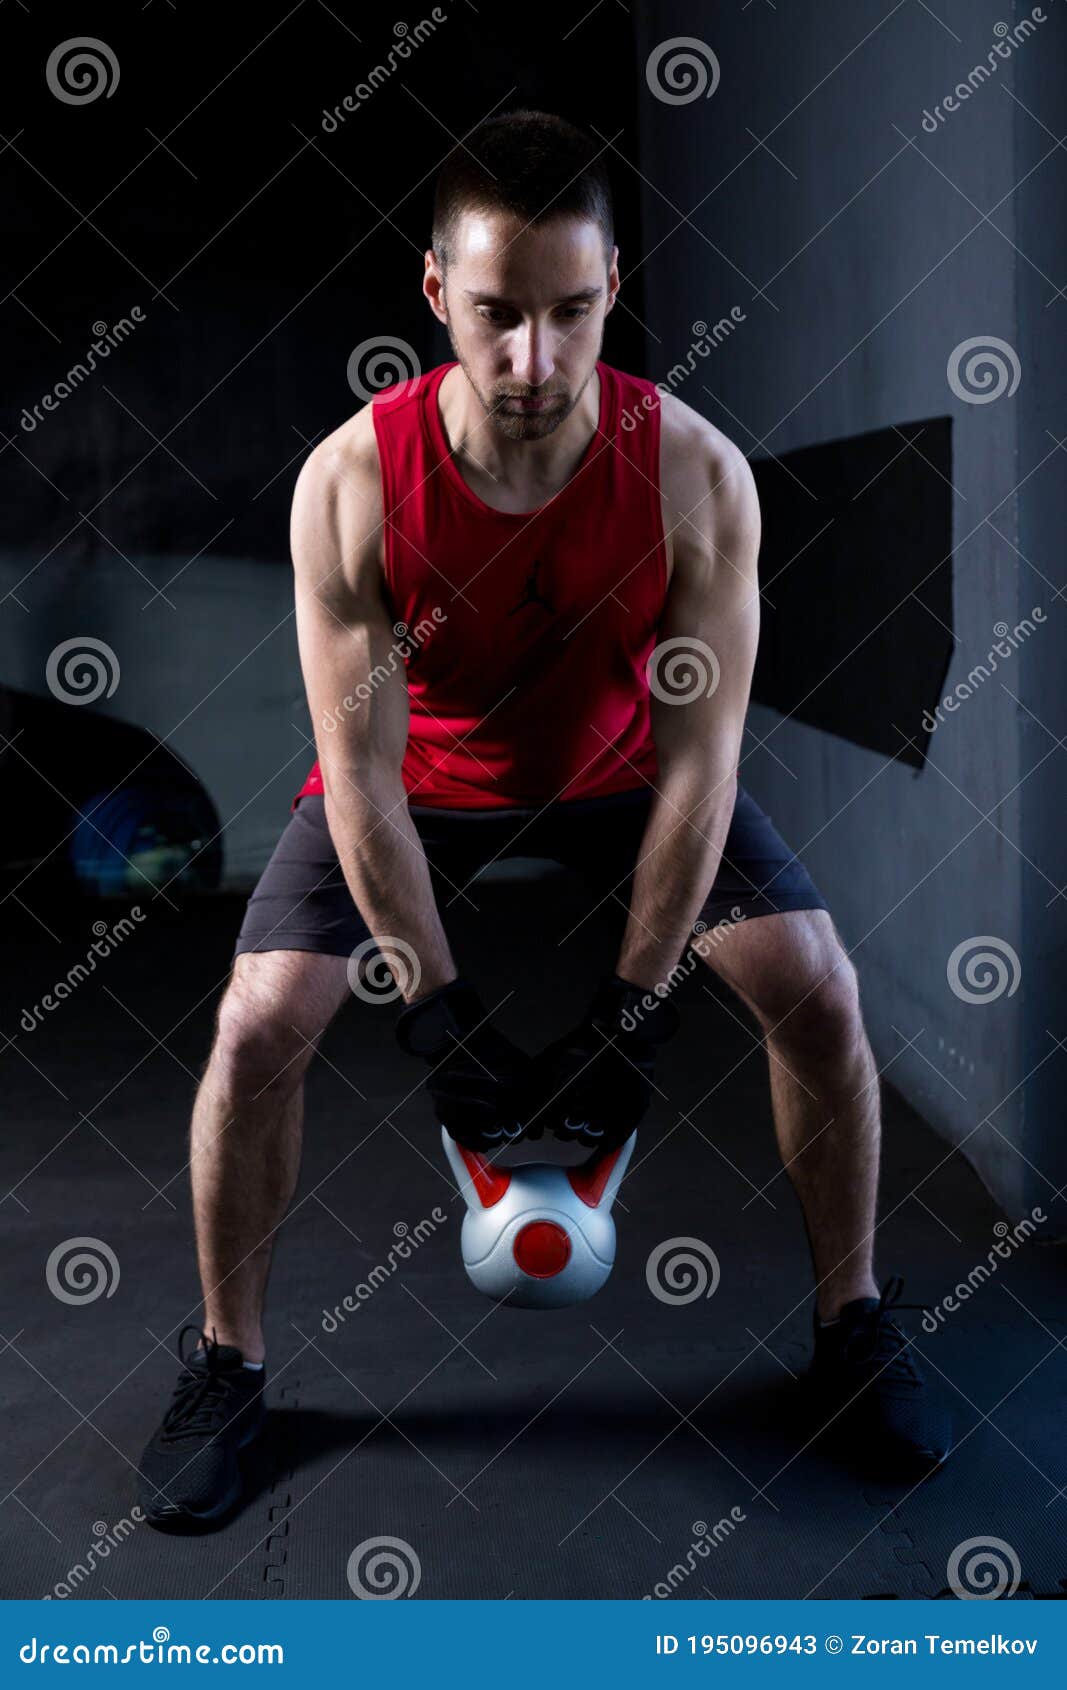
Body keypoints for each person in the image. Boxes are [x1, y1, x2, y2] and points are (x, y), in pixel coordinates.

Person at [136, 108, 951, 1531]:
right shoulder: (353, 484)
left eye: (571, 314)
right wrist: (442, 1022)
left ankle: (852, 1331)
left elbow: (701, 773)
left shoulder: (695, 476)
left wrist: (632, 1013)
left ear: (612, 293)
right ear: (437, 291)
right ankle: (227, 1365)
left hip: (625, 777)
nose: (533, 362)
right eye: (500, 314)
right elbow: (363, 774)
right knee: (258, 1024)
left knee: (819, 991)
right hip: (418, 789)